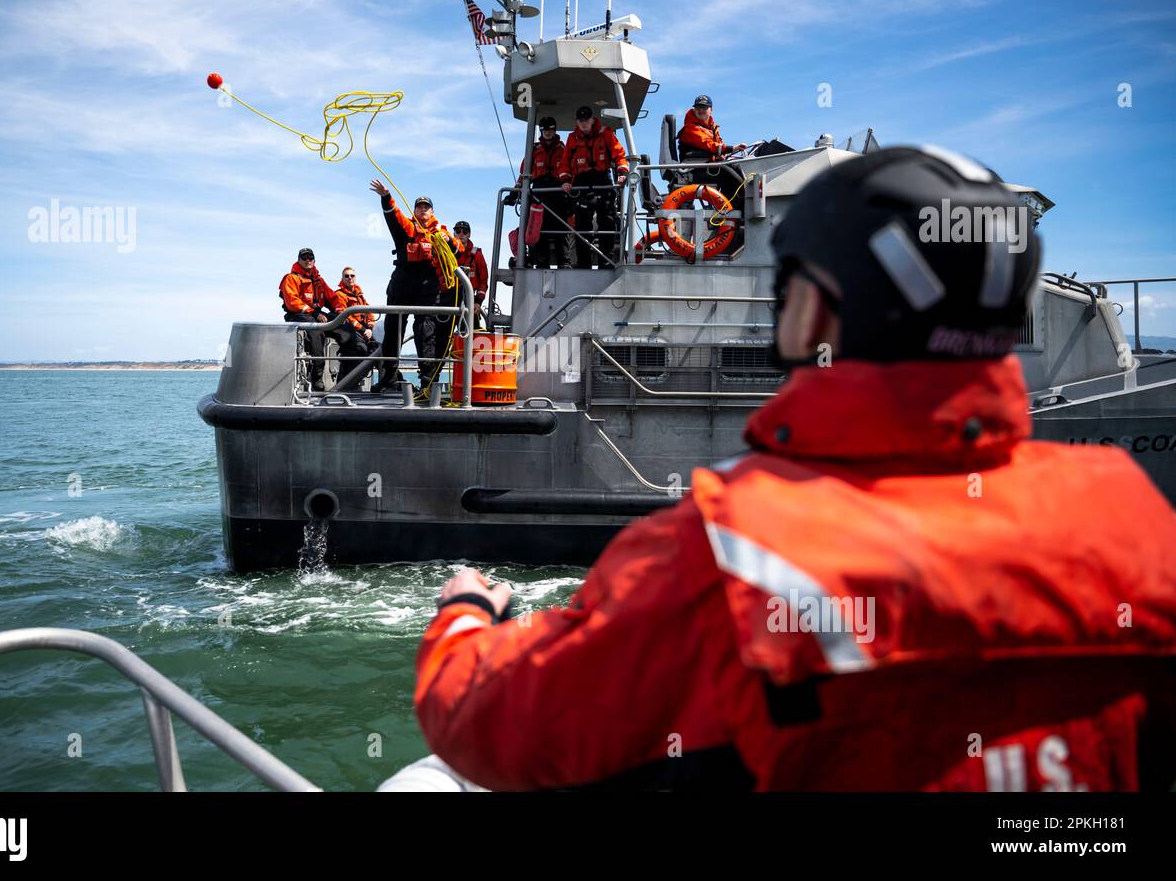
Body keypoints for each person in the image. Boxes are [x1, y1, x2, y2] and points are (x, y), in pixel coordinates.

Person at [409, 146, 1176, 791]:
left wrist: (463, 616)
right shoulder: (1136, 521)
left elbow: (492, 723)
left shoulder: (730, 550)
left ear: (814, 312)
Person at [369, 180, 456, 398]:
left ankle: (427, 381)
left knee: (426, 329)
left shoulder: (442, 234)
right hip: (402, 281)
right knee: (393, 329)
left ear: (433, 211)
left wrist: (450, 240)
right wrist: (386, 196)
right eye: (419, 206)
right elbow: (393, 215)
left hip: (428, 284)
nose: (423, 209)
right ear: (415, 210)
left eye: (426, 207)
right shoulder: (407, 228)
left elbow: (457, 250)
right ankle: (388, 378)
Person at [279, 248, 367, 392]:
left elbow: (333, 298)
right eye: (304, 258)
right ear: (299, 260)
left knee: (347, 330)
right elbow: (292, 302)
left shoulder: (319, 281)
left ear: (314, 260)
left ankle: (347, 379)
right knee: (317, 333)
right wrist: (314, 312)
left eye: (310, 258)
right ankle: (317, 377)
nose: (308, 260)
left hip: (317, 315)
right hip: (298, 315)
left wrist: (340, 312)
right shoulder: (291, 278)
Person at [560, 106, 629, 269]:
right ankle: (584, 262)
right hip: (581, 183)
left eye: (586, 120)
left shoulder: (606, 134)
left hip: (602, 179)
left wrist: (622, 171)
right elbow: (564, 163)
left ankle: (607, 261)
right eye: (580, 121)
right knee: (582, 224)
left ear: (592, 120)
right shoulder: (572, 138)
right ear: (577, 122)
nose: (583, 124)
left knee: (607, 221)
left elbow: (619, 154)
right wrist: (565, 180)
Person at [516, 116, 571, 268]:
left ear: (554, 130)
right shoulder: (533, 150)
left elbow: (569, 170)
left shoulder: (563, 149)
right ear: (541, 131)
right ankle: (541, 262)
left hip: (558, 192)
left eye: (550, 130)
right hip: (539, 193)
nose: (548, 133)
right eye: (545, 130)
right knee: (539, 228)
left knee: (561, 228)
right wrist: (516, 190)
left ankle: (564, 262)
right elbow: (524, 173)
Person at [677, 94, 745, 202]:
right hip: (695, 170)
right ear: (694, 109)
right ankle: (734, 207)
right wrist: (733, 148)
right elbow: (708, 144)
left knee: (737, 167)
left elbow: (719, 145)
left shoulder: (711, 128)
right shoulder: (690, 128)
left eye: (704, 107)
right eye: (698, 107)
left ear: (711, 110)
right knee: (734, 172)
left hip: (709, 165)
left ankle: (732, 206)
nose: (701, 110)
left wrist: (723, 155)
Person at [335, 266, 378, 383]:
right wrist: (363, 329)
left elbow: (369, 313)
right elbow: (344, 315)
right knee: (360, 349)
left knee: (379, 350)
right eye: (346, 276)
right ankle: (347, 383)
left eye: (352, 276)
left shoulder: (360, 295)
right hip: (353, 331)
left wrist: (369, 328)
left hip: (364, 331)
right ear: (342, 278)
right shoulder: (340, 295)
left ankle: (391, 382)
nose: (349, 278)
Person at [452, 221, 488, 327]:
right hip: (449, 298)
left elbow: (483, 280)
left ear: (469, 234)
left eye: (465, 231)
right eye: (458, 231)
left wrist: (478, 302)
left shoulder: (476, 255)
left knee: (473, 335)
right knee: (443, 335)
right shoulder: (447, 253)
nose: (461, 234)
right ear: (454, 234)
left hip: (469, 300)